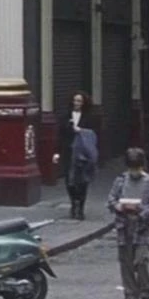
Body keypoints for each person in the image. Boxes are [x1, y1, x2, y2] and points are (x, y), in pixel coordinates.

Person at [106, 147, 149, 299]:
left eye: (137, 168)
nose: (134, 172)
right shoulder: (120, 181)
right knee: (126, 263)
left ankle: (146, 295)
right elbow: (111, 200)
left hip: (143, 228)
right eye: (132, 168)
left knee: (141, 261)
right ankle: (131, 296)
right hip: (124, 227)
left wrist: (142, 211)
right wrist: (119, 206)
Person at [53, 91, 98, 220]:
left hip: (83, 153)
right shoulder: (65, 117)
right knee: (69, 181)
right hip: (68, 152)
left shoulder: (90, 117)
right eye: (75, 100)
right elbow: (60, 135)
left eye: (79, 101)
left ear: (84, 103)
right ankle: (74, 203)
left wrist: (81, 131)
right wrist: (56, 152)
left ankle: (81, 208)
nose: (77, 103)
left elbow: (93, 134)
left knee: (83, 181)